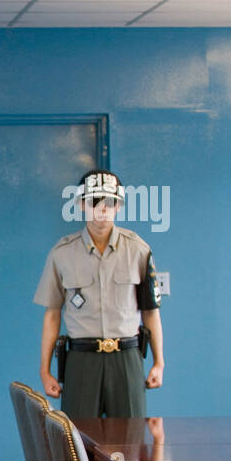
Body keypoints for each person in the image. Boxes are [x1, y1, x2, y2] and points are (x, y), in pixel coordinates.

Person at [34, 169, 164, 419]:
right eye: (94, 202)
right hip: (82, 360)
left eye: (109, 202)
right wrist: (45, 369)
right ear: (82, 205)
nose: (101, 209)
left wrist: (159, 362)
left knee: (131, 438)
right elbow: (52, 314)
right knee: (79, 441)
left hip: (126, 358)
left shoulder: (138, 250)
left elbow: (150, 312)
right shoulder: (62, 254)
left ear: (118, 206)